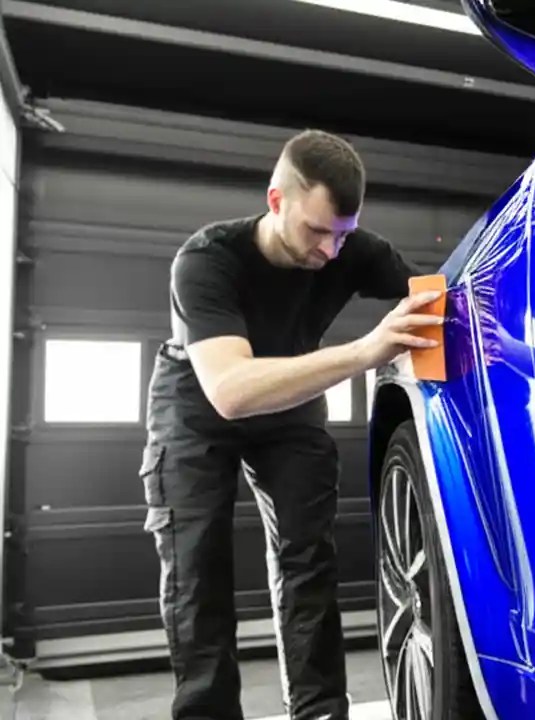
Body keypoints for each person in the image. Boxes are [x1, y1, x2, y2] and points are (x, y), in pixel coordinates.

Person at [138, 129, 441, 720]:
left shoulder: (353, 249)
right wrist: (364, 353)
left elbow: (436, 300)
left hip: (293, 400)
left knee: (309, 560)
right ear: (276, 201)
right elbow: (230, 390)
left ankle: (321, 712)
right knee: (198, 564)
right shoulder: (206, 261)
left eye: (343, 235)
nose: (329, 251)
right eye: (316, 231)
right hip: (199, 399)